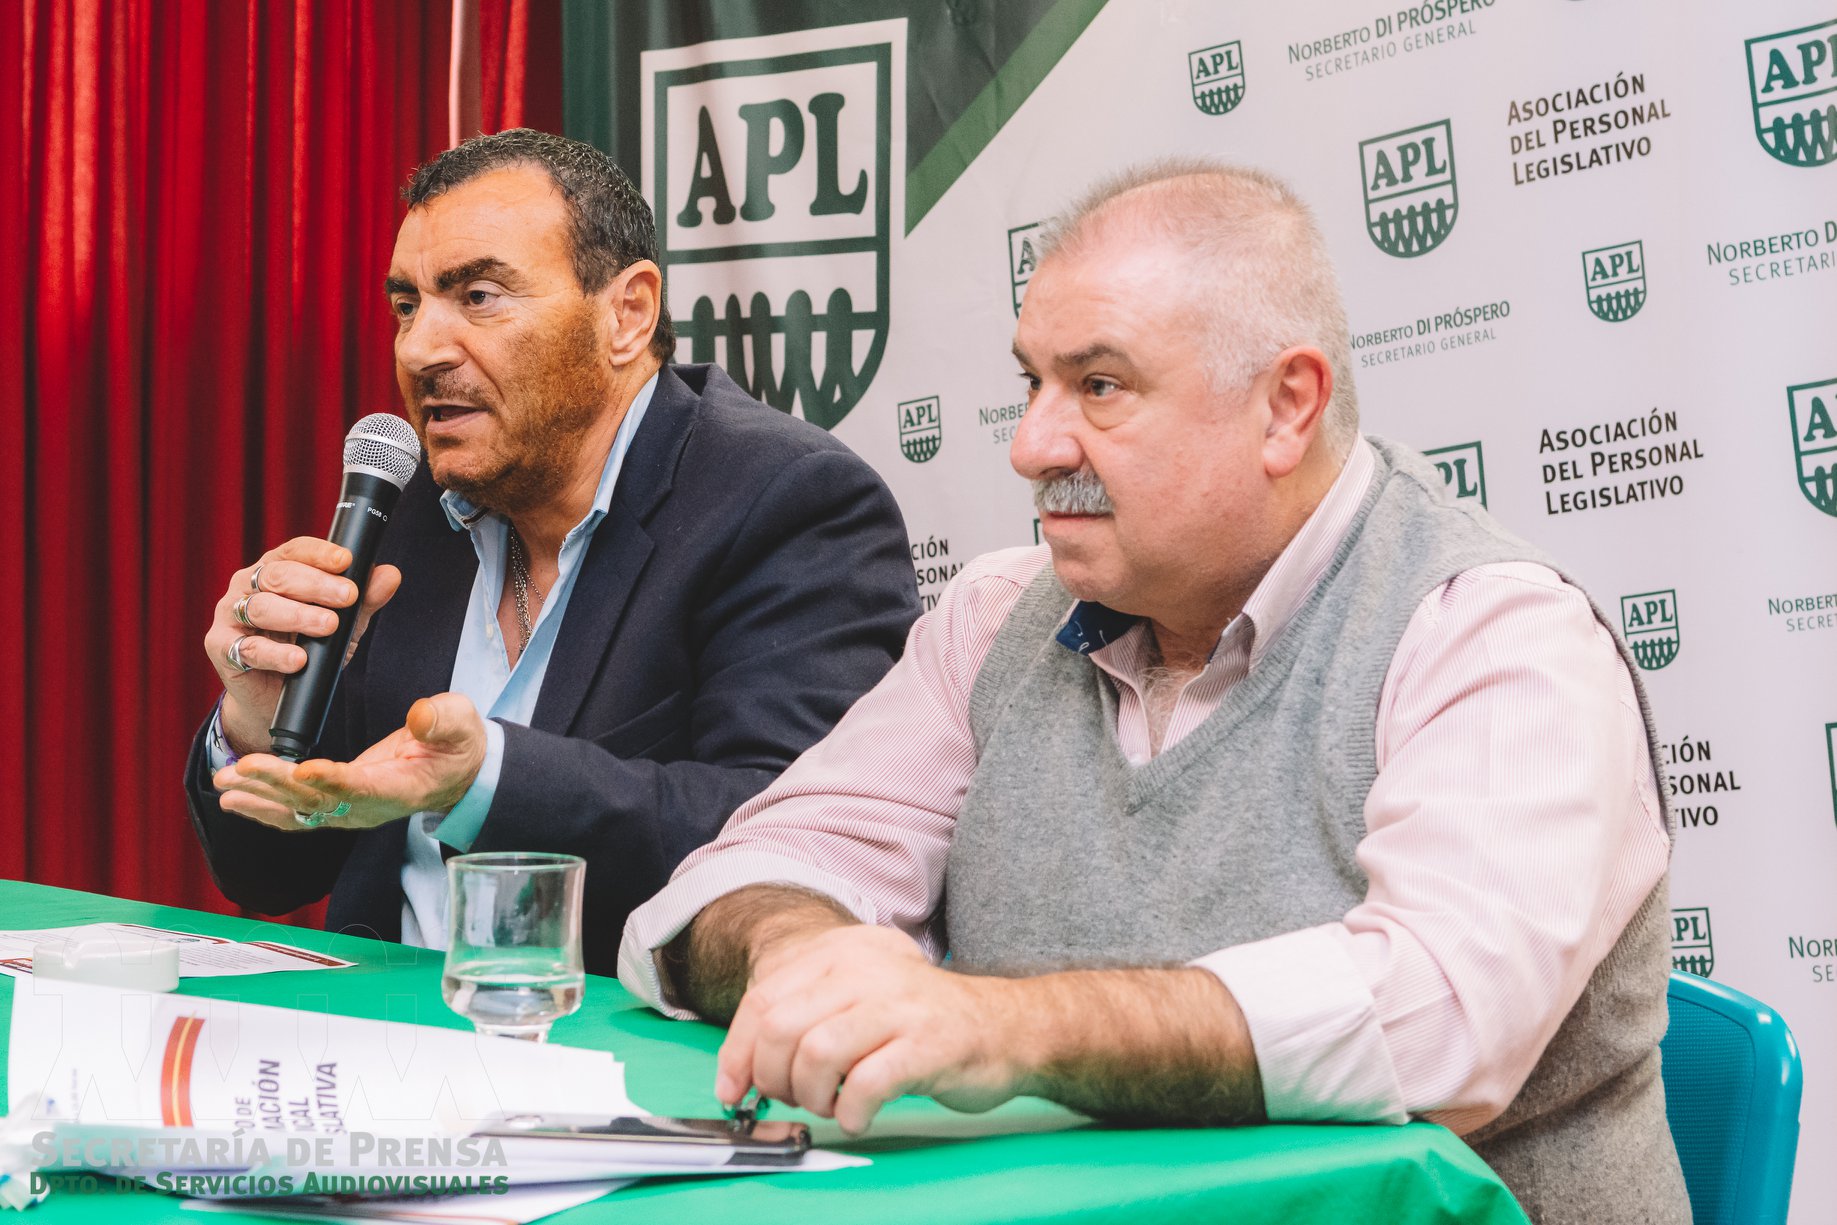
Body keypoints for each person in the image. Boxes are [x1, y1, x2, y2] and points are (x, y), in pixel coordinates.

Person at [618, 160, 1688, 1223]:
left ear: (1286, 407)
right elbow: (737, 877)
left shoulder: (1494, 632)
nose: (1032, 446)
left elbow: (1444, 1017)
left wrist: (1003, 1027)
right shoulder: (995, 615)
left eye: (1100, 386)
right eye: (1032, 384)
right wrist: (805, 959)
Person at [186, 129, 919, 975]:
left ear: (627, 313)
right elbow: (268, 873)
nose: (420, 348)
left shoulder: (787, 500)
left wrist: (485, 778)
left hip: (612, 1038)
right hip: (383, 1032)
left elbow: (789, 840)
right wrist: (259, 722)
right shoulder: (413, 508)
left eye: (479, 295)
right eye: (407, 305)